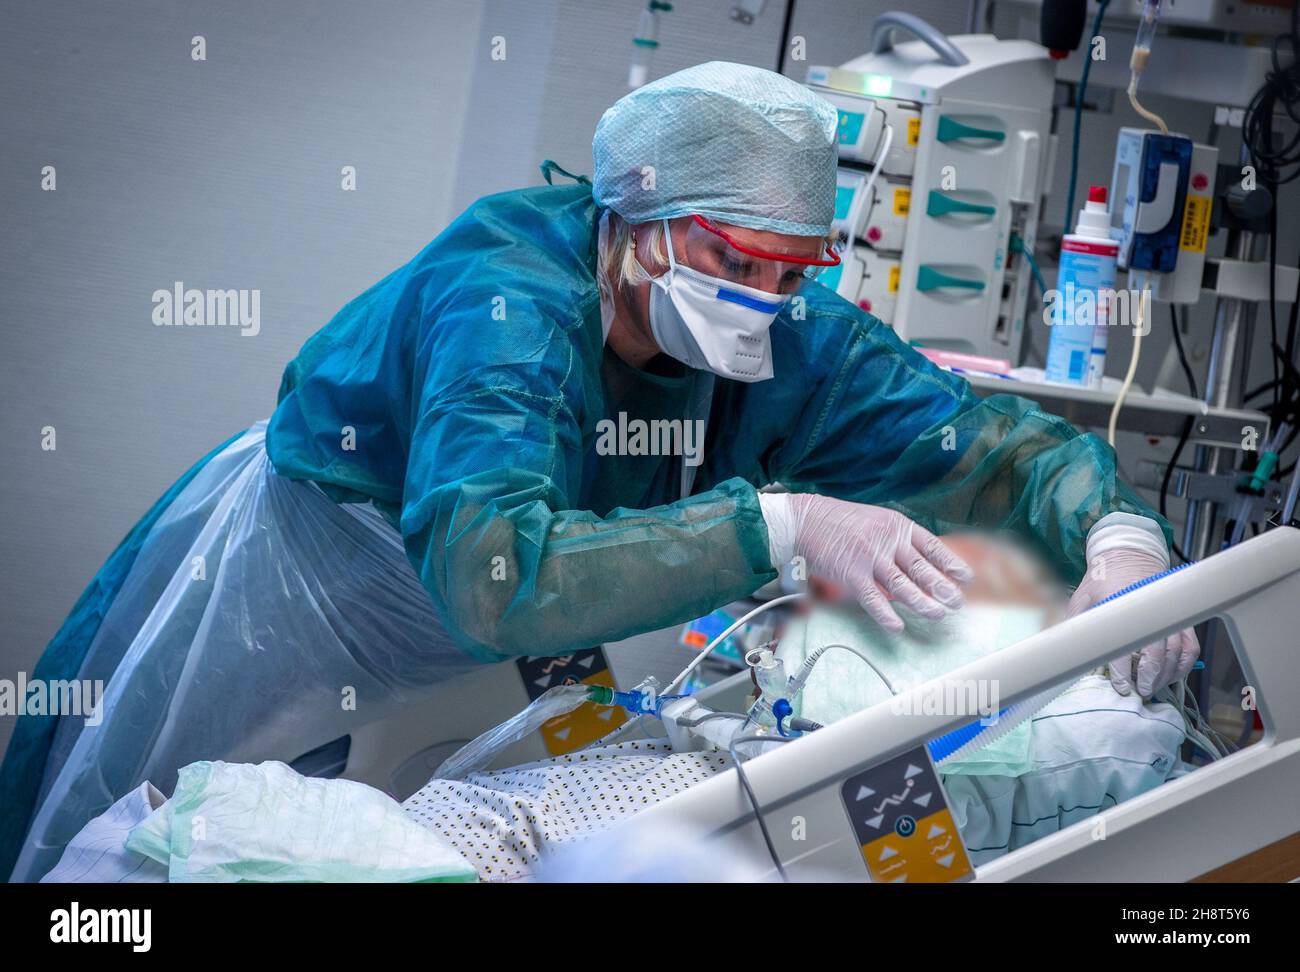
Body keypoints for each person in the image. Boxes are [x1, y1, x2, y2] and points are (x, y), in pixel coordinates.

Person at [0, 62, 1196, 881]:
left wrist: (1122, 540)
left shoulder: (792, 339)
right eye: (734, 259)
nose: (767, 301)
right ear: (638, 213)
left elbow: (991, 450)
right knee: (151, 834)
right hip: (307, 588)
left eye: (796, 269)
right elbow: (496, 573)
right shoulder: (508, 300)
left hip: (473, 630)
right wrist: (777, 528)